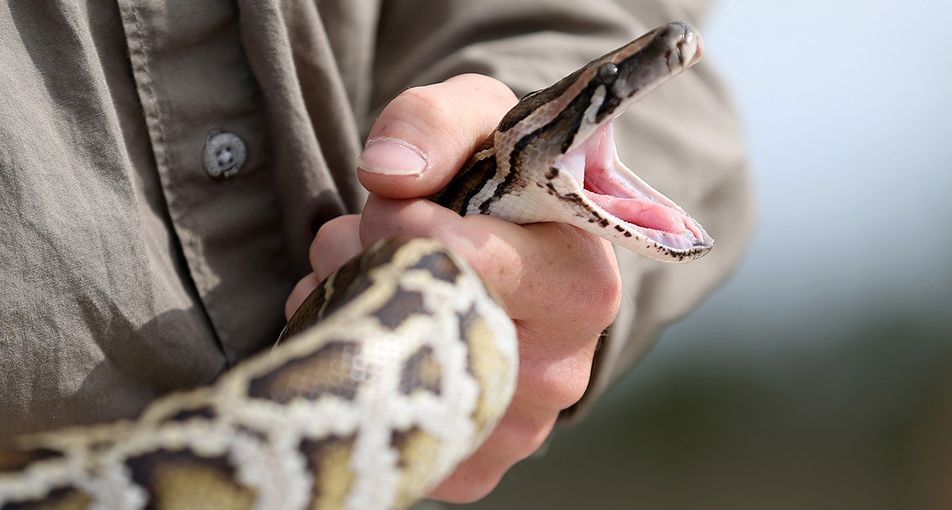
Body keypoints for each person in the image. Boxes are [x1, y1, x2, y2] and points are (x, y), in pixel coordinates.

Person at [0, 0, 751, 503]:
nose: (651, 69)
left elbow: (606, 24)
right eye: (613, 87)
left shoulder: (522, 167)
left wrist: (544, 294)